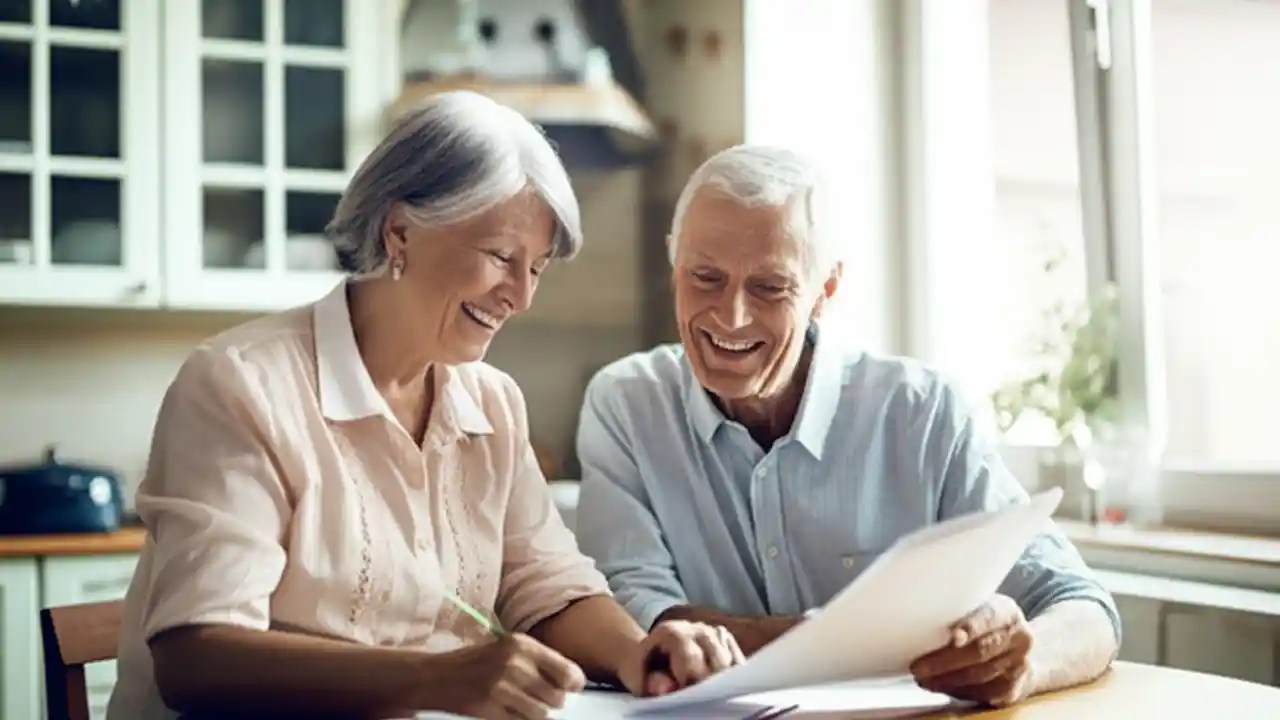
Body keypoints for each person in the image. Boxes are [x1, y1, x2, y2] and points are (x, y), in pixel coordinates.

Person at [107, 92, 743, 720]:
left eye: (537, 269)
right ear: (400, 230)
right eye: (501, 257)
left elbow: (546, 587)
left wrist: (638, 652)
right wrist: (437, 679)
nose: (520, 297)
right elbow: (196, 660)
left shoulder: (492, 403)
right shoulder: (239, 385)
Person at [575, 144, 1120, 708]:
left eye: (769, 287)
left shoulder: (922, 412)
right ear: (674, 268)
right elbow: (643, 621)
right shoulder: (626, 404)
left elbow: (1083, 606)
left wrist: (1024, 660)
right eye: (706, 278)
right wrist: (892, 642)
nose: (731, 316)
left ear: (824, 291)